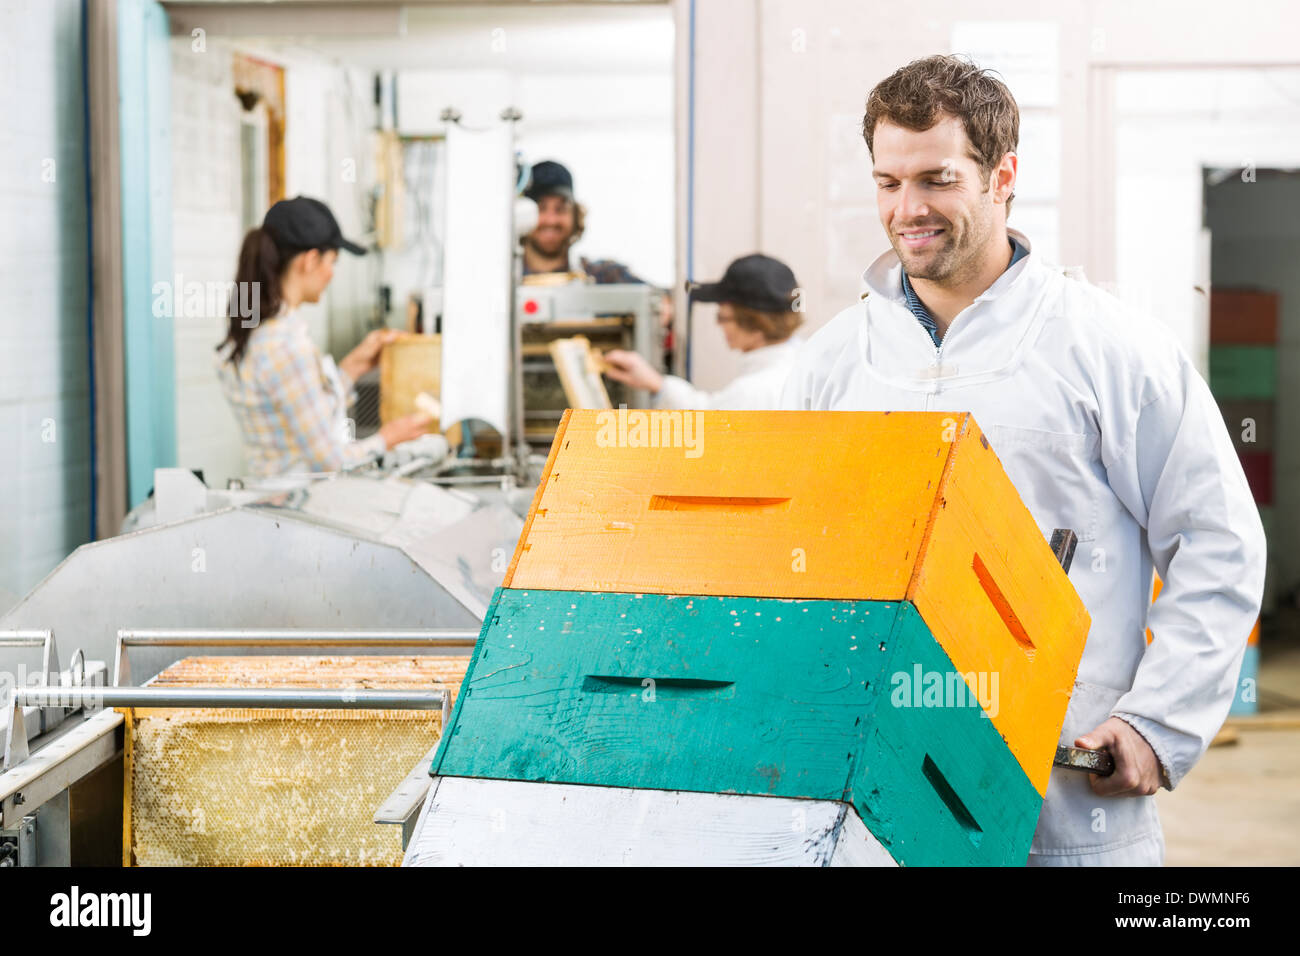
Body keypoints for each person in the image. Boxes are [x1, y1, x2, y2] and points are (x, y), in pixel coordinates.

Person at [780, 55, 1266, 866]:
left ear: (1003, 175)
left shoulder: (1110, 346)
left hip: (1071, 801)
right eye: (887, 183)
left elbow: (1218, 542)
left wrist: (1158, 723)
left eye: (936, 179)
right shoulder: (835, 362)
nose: (908, 210)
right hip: (872, 799)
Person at [215, 196, 431, 477]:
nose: (331, 274)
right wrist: (388, 438)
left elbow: (297, 411)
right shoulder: (285, 345)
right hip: (294, 504)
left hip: (272, 498)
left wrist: (353, 368)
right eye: (332, 262)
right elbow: (331, 461)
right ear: (310, 260)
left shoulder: (258, 330)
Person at [602, 254, 803, 410]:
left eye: (723, 317)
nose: (718, 325)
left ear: (757, 326)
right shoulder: (800, 362)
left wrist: (658, 386)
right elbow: (714, 409)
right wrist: (657, 384)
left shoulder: (755, 393)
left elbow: (708, 423)